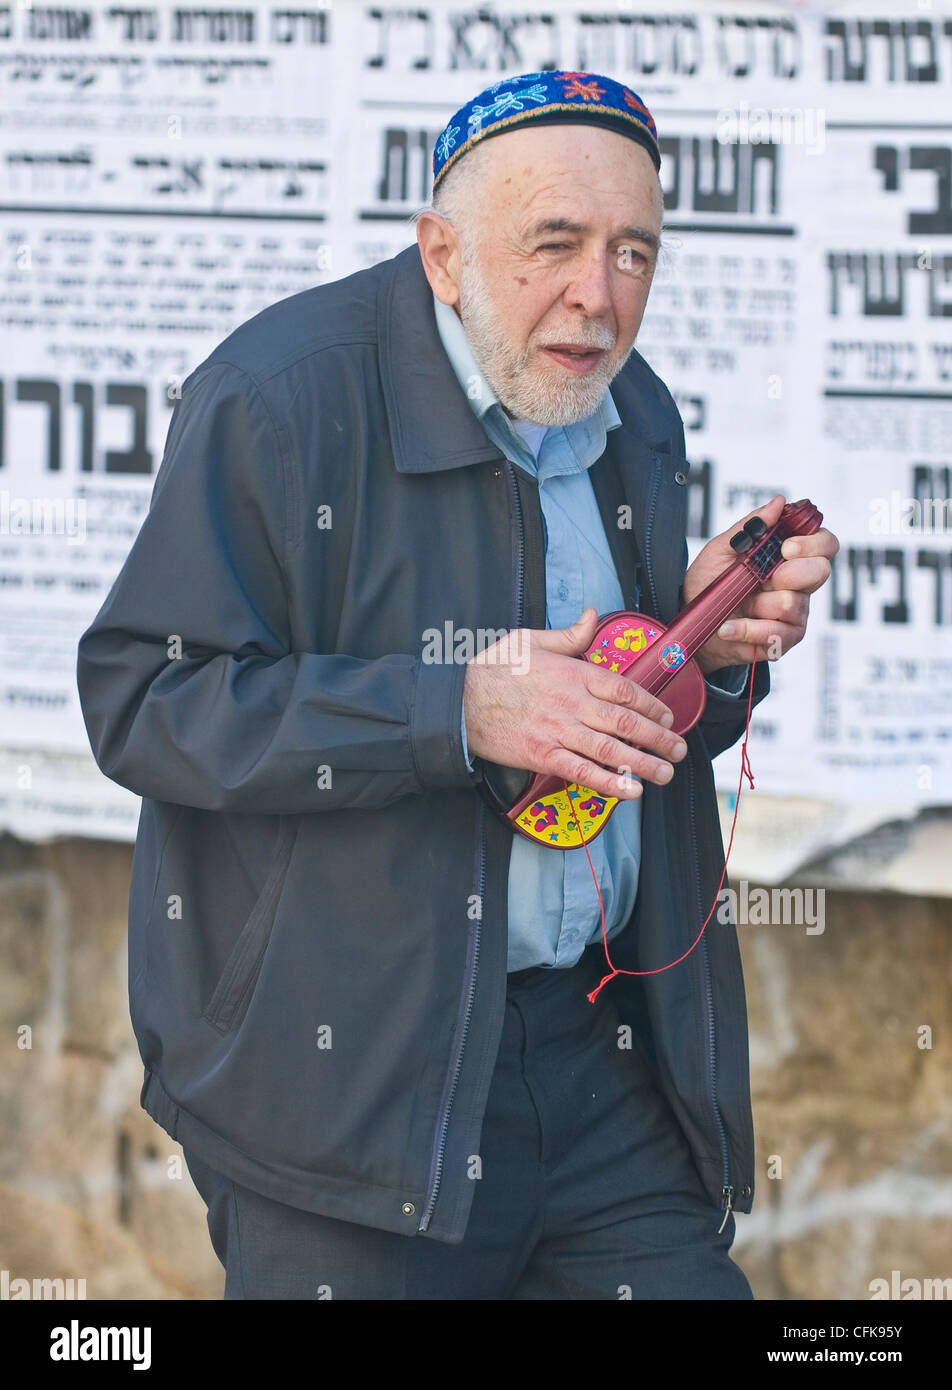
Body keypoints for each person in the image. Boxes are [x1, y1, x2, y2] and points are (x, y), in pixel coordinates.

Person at [76, 70, 838, 1300]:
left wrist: (699, 656)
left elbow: (610, 729)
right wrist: (449, 712)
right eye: (555, 244)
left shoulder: (629, 409)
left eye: (634, 252)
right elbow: (144, 703)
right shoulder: (277, 398)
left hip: (602, 1064)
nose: (597, 297)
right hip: (351, 1101)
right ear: (441, 252)